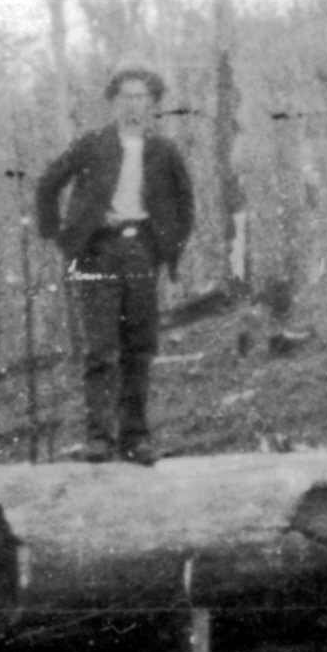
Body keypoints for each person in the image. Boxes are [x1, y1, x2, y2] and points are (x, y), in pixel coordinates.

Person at [33, 66, 196, 462]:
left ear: (153, 104)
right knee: (101, 348)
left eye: (141, 97)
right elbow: (48, 183)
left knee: (138, 348)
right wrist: (61, 232)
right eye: (125, 97)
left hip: (142, 250)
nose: (133, 105)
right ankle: (99, 439)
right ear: (113, 103)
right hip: (97, 252)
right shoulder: (92, 145)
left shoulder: (164, 151)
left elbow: (184, 205)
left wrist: (166, 250)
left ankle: (136, 437)